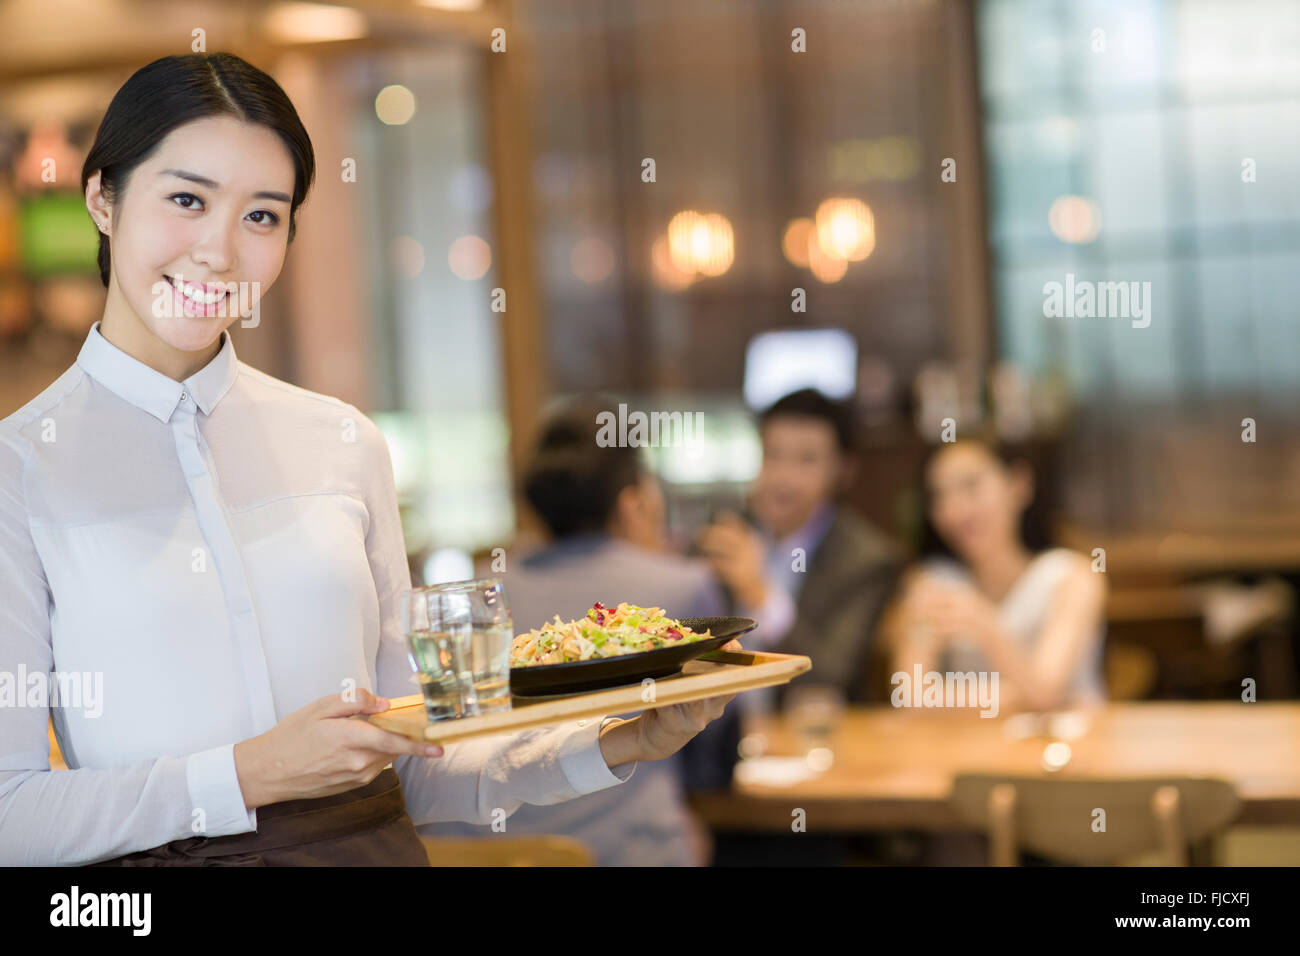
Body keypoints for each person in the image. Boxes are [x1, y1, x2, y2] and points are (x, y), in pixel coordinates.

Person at [0, 53, 737, 867]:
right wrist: (244, 775)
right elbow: (12, 812)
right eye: (186, 200)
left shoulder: (343, 442)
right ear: (102, 197)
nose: (219, 251)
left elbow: (417, 755)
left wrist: (613, 742)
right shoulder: (22, 470)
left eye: (262, 216)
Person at [422, 402, 779, 865]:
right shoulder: (682, 587)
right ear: (633, 503)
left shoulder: (475, 594)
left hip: (469, 851)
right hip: (621, 850)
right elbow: (710, 764)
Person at [698, 388, 903, 707]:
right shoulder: (721, 537)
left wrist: (761, 594)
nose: (783, 476)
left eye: (806, 459)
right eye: (773, 455)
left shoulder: (867, 560)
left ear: (843, 470)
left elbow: (832, 675)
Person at [883, 436, 1107, 713]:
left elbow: (1045, 693)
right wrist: (1018, 697)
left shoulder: (1073, 576)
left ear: (1019, 484)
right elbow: (910, 697)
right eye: (939, 496)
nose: (954, 511)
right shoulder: (932, 581)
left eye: (971, 486)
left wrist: (985, 626)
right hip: (970, 751)